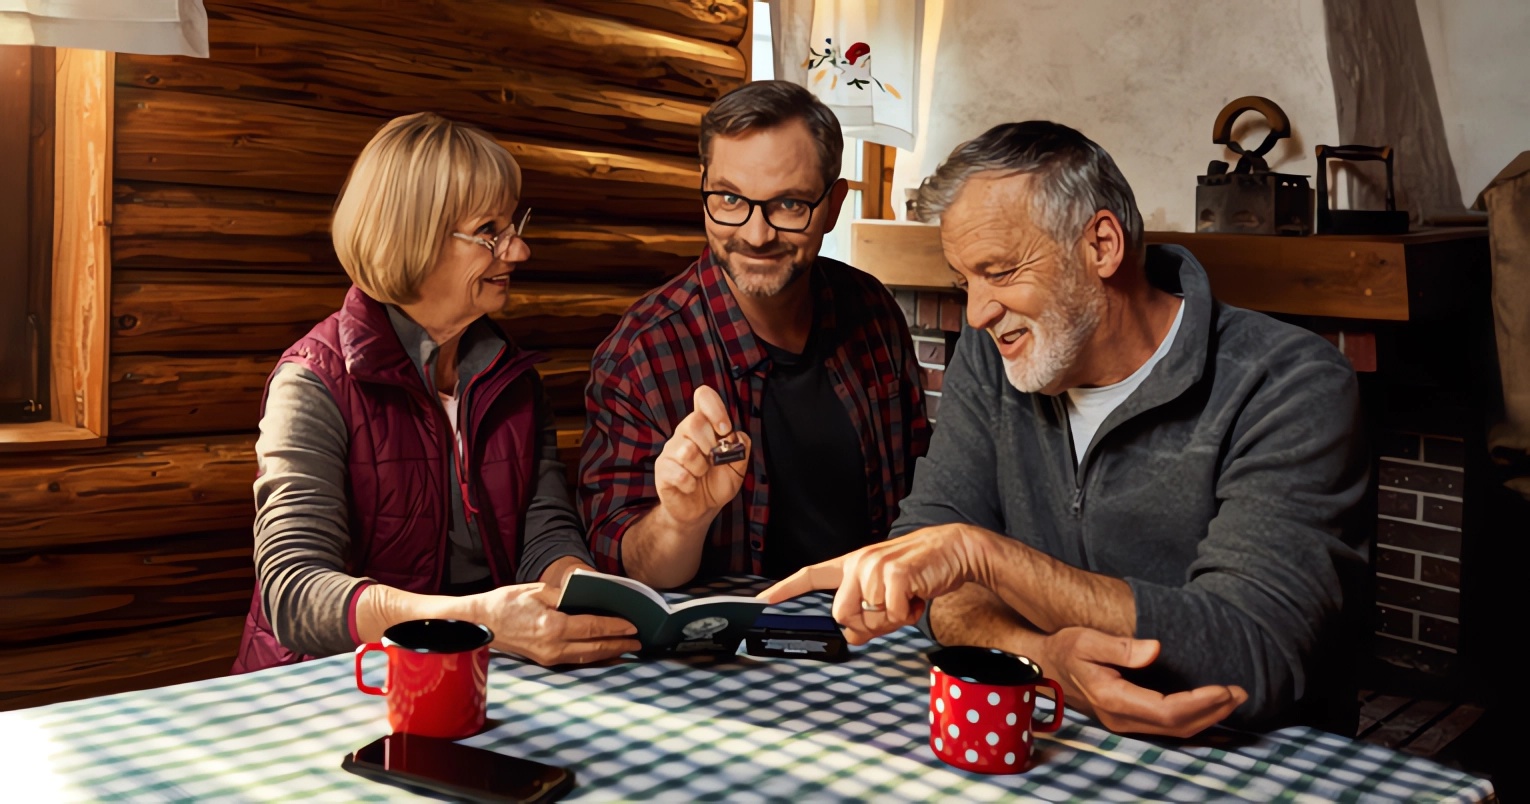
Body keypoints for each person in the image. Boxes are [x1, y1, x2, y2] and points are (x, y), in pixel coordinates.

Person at [764, 121, 1369, 738]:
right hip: (1061, 734)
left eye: (998, 271)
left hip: (1253, 763)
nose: (977, 312)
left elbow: (1252, 656)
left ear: (1101, 245)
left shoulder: (1288, 383)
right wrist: (1040, 659)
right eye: (964, 282)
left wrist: (983, 556)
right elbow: (929, 566)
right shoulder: (992, 356)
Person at [232, 113, 640, 673]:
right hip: (325, 689)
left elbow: (544, 532)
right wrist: (478, 618)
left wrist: (582, 594)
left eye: (513, 225)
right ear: (414, 237)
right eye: (490, 232)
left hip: (472, 671)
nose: (517, 251)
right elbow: (294, 592)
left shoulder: (512, 378)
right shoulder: (313, 379)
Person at [580, 80, 930, 589]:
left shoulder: (872, 310)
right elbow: (627, 570)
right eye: (729, 199)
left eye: (788, 205)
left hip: (871, 629)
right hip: (722, 656)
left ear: (833, 205)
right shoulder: (641, 355)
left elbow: (922, 496)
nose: (755, 234)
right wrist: (681, 520)